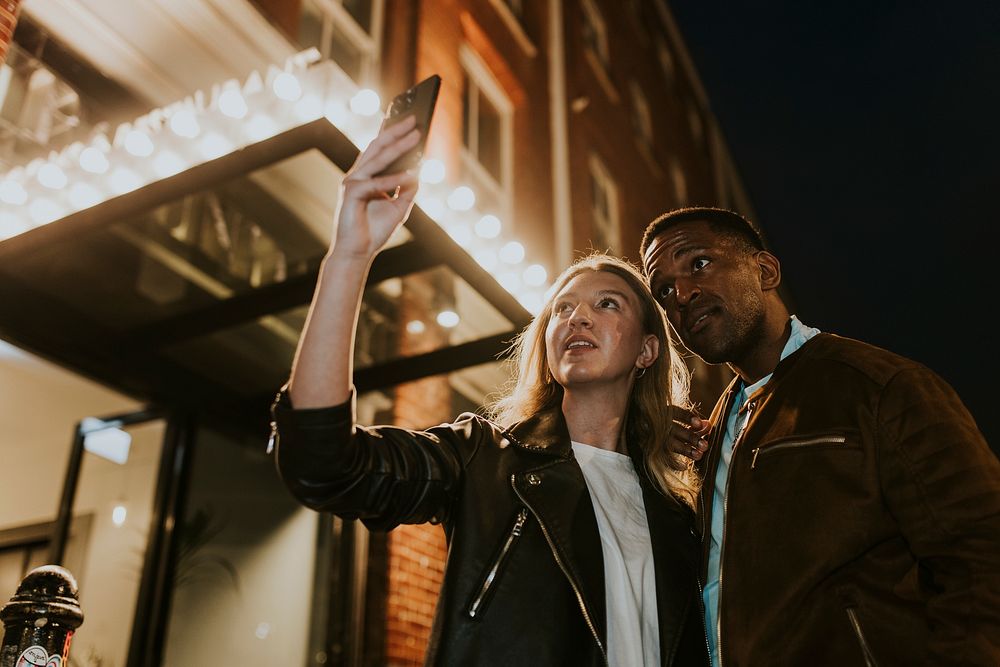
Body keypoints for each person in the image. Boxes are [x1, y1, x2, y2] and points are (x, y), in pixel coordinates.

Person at [270, 116, 710, 665]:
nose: (577, 318)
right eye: (562, 309)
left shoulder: (678, 507)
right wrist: (349, 256)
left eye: (606, 304)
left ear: (646, 351)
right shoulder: (482, 459)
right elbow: (327, 466)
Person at [641, 206, 1000, 667]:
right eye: (664, 290)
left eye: (699, 263)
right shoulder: (713, 433)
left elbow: (982, 557)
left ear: (765, 270)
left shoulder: (878, 385)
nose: (683, 294)